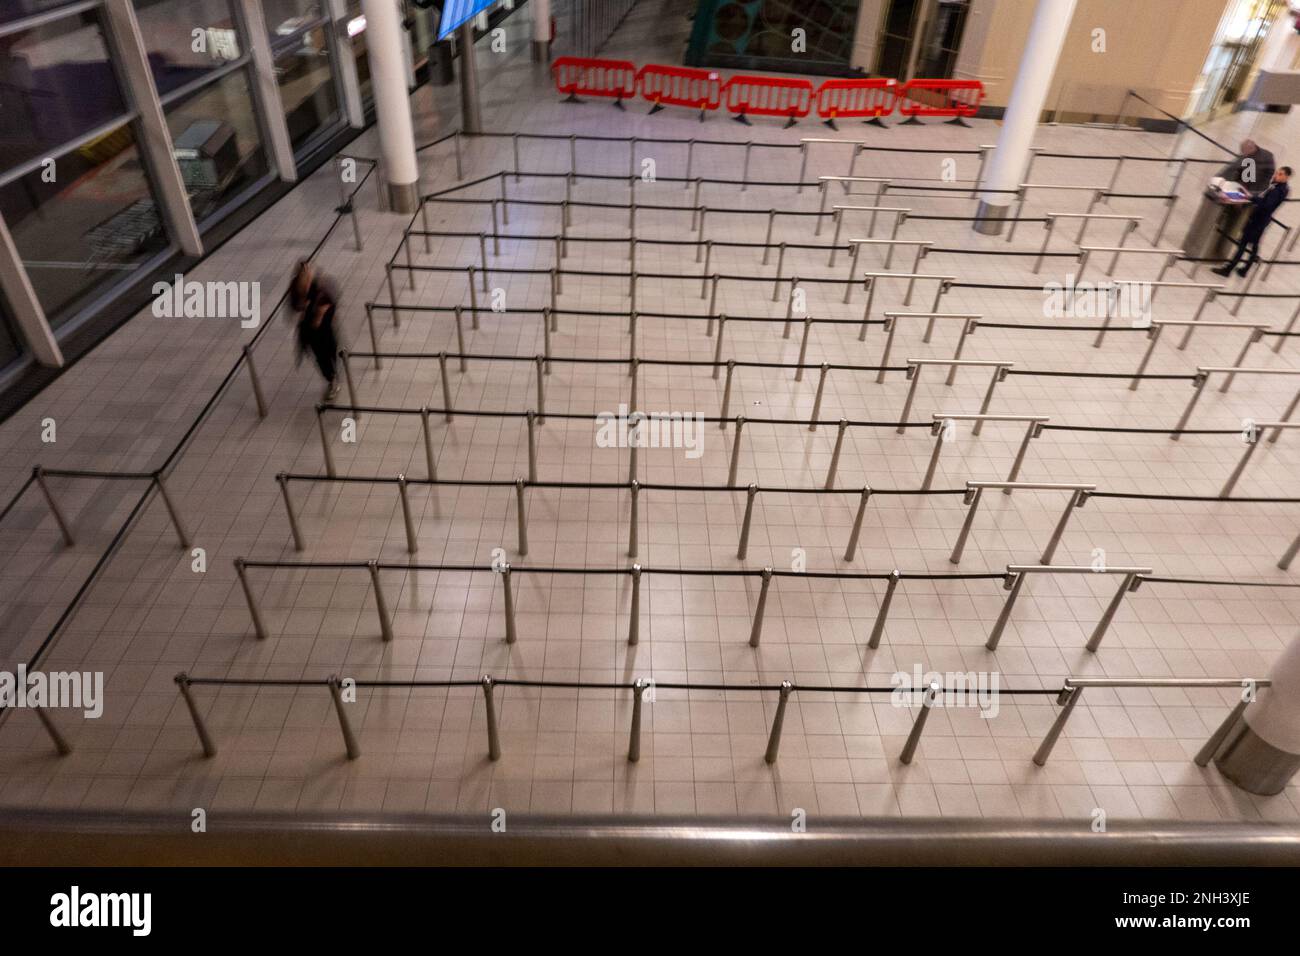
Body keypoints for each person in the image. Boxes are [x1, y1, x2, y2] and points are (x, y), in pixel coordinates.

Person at [1213, 166, 1291, 278]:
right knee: (1255, 244)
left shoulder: (1277, 190)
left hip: (1257, 219)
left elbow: (1266, 204)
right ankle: (1245, 269)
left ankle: (1229, 269)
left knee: (1243, 244)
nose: (1276, 175)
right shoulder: (1283, 188)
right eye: (1276, 173)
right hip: (1263, 220)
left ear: (1286, 177)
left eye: (1280, 174)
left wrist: (1252, 198)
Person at [289, 260, 341, 400]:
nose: (306, 279)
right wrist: (303, 307)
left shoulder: (319, 287)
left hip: (324, 329)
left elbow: (330, 303)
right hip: (310, 333)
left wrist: (320, 315)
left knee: (330, 350)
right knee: (321, 357)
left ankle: (333, 374)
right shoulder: (295, 288)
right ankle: (331, 378)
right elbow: (294, 306)